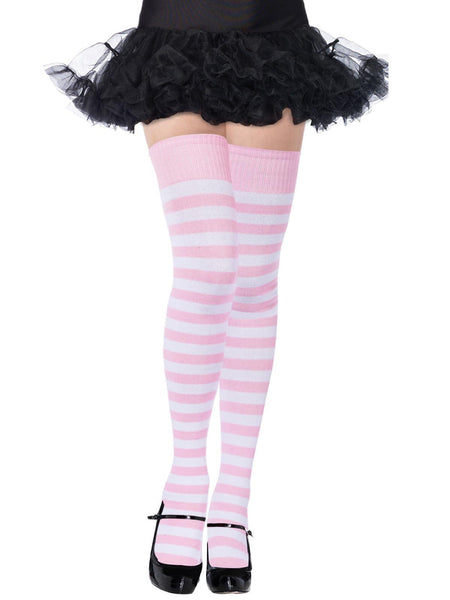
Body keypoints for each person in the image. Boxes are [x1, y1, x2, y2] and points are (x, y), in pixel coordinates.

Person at [43, 0, 389, 594]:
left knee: (253, 277)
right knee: (210, 266)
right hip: (176, 28)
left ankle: (233, 497)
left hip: (270, 29)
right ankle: (185, 484)